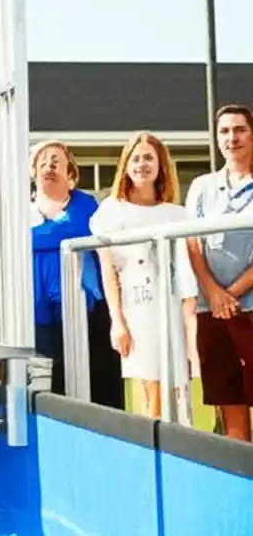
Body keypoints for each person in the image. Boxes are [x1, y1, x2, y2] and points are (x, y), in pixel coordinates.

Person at [89, 132, 198, 418]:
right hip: (138, 307)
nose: (142, 164)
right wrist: (118, 322)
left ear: (161, 164)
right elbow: (108, 270)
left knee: (180, 389)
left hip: (175, 306)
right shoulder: (111, 211)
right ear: (125, 166)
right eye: (135, 158)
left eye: (149, 157)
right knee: (152, 392)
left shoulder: (178, 214)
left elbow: (189, 268)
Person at [29, 140, 125, 408]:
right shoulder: (20, 213)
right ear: (33, 172)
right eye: (43, 162)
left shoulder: (87, 207)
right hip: (38, 317)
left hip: (87, 313)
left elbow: (74, 232)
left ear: (71, 177)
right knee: (51, 386)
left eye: (57, 162)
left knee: (99, 389)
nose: (49, 166)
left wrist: (32, 238)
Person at [184, 104, 253, 442]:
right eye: (224, 131)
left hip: (249, 306)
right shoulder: (201, 186)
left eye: (239, 129)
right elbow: (193, 244)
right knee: (230, 401)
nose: (232, 137)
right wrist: (213, 292)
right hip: (211, 308)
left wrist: (234, 293)